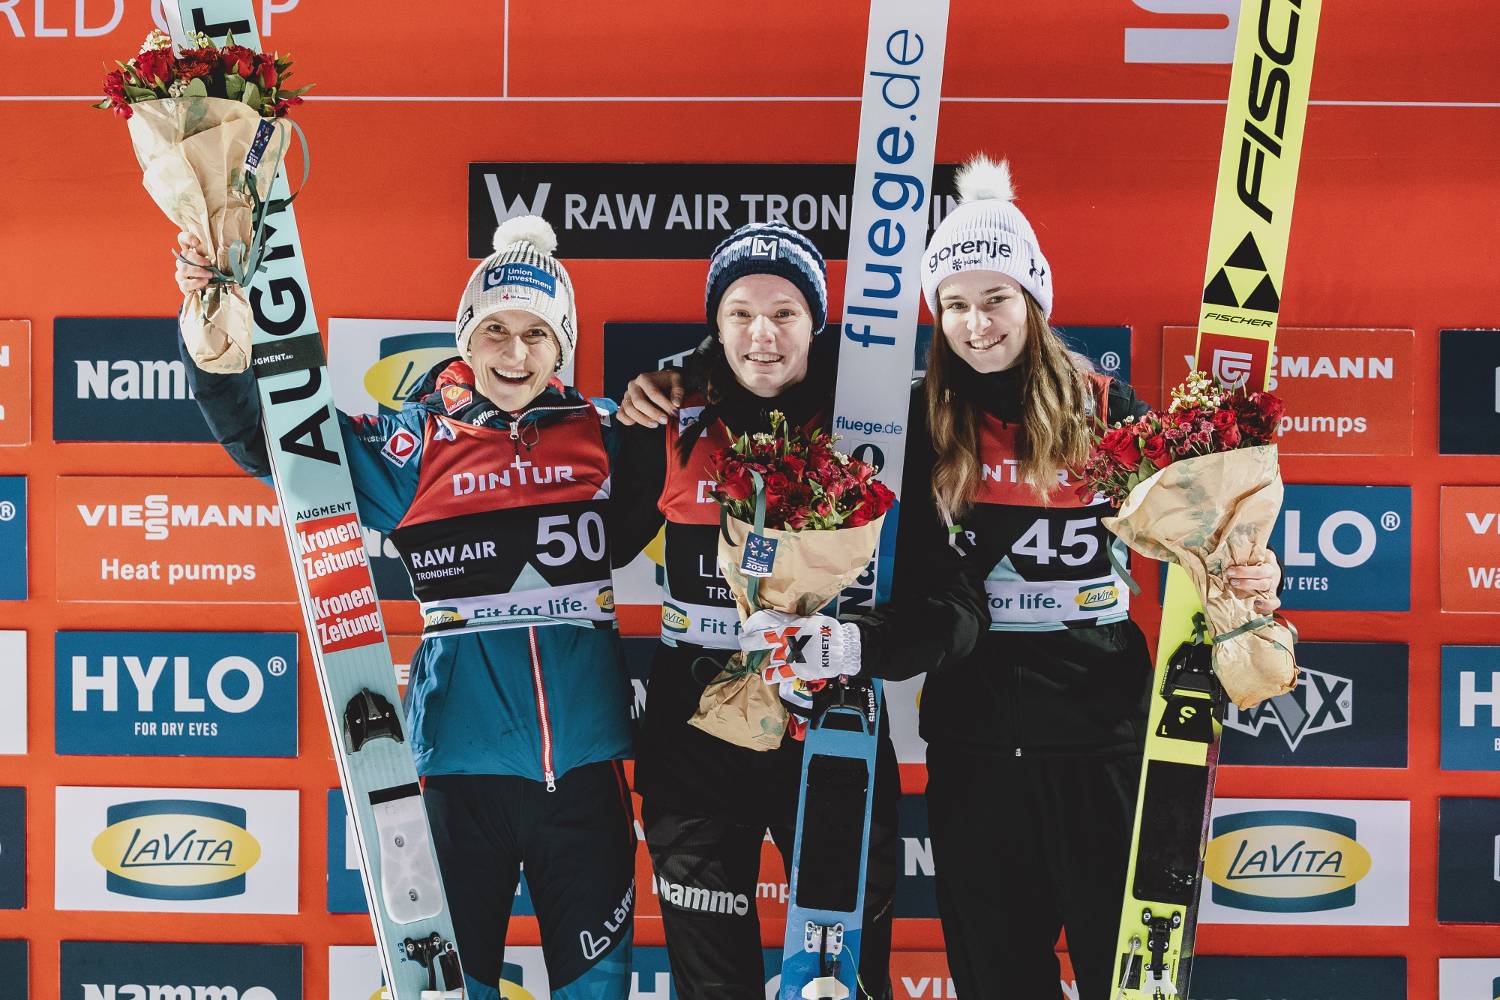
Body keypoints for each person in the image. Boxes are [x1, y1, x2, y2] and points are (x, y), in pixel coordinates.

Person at [645, 156, 1278, 1000]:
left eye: (996, 299)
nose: (976, 324)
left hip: (1102, 739)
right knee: (997, 980)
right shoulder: (912, 422)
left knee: (1120, 976)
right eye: (953, 303)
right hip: (975, 745)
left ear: (1034, 298)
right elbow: (920, 593)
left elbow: (1207, 532)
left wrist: (1247, 570)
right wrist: (680, 375)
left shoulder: (1107, 409)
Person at [173, 217, 637, 1000]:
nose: (514, 353)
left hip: (588, 783)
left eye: (535, 333)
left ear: (563, 347)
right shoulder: (416, 445)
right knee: (450, 993)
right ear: (465, 337)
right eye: (494, 330)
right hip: (460, 779)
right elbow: (276, 446)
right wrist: (213, 339)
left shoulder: (605, 437)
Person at [610, 222, 987, 1000]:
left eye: (785, 313)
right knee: (713, 984)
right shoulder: (674, 414)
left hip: (833, 727)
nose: (762, 335)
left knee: (838, 980)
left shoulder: (875, 426)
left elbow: (955, 605)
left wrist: (854, 644)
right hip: (696, 734)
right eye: (740, 311)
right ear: (714, 324)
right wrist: (627, 427)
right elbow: (599, 543)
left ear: (817, 320)